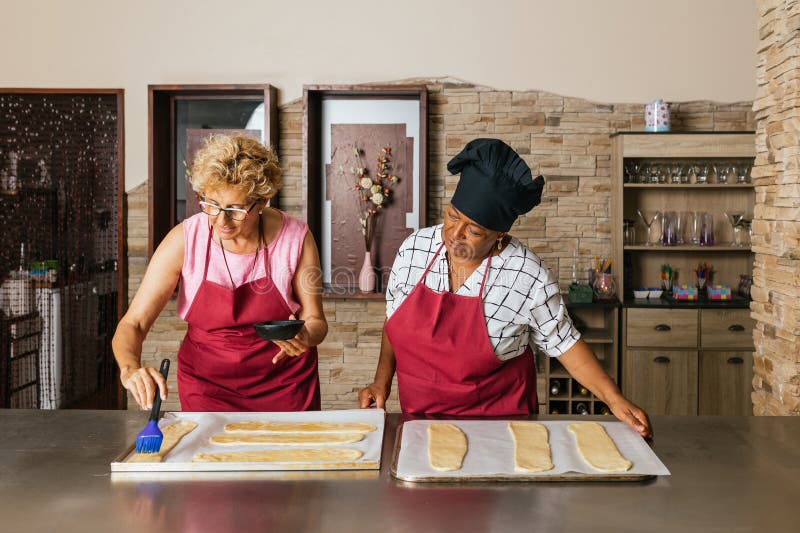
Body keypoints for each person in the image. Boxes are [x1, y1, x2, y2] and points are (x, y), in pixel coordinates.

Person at [359, 138, 651, 437]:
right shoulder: (415, 249)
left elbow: (564, 343)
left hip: (501, 428)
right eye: (452, 216)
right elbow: (394, 322)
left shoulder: (525, 274)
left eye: (473, 230)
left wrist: (615, 401)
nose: (455, 234)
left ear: (499, 236)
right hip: (420, 425)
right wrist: (381, 382)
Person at [113, 134, 327, 412]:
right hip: (207, 389)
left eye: (236, 209)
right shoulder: (185, 240)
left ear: (262, 201)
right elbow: (134, 324)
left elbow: (316, 320)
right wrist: (130, 369)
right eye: (211, 204)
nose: (221, 221)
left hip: (286, 387)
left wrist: (306, 336)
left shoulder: (295, 237)